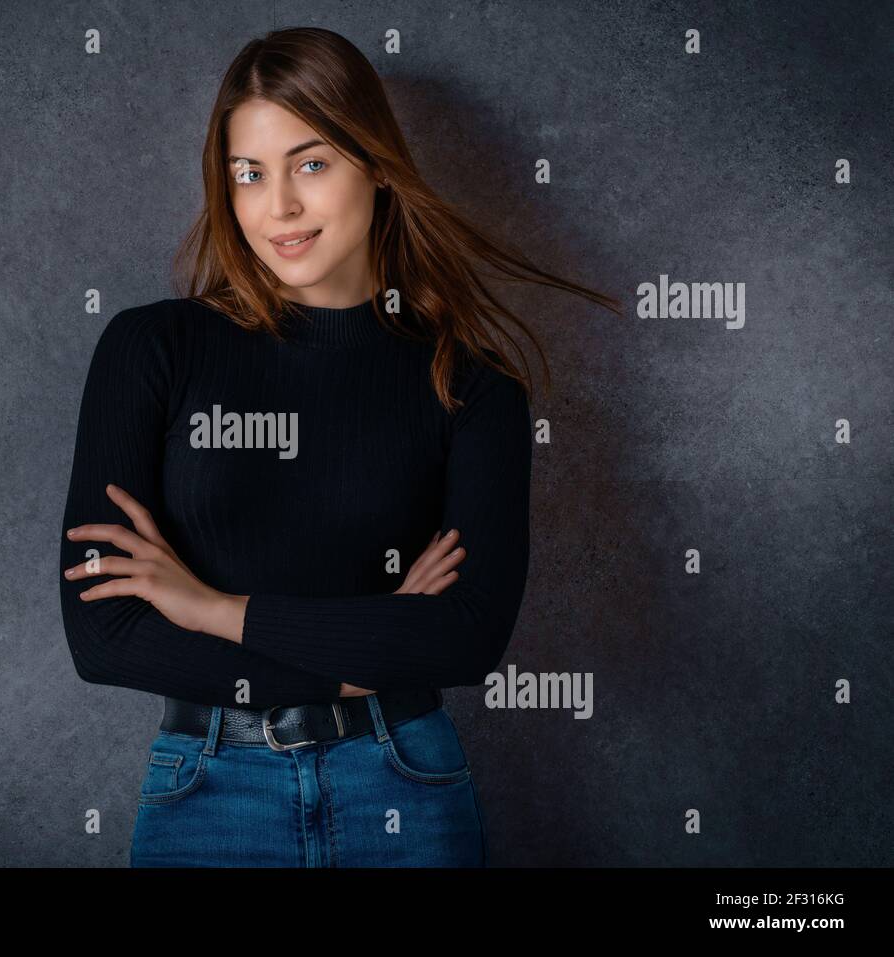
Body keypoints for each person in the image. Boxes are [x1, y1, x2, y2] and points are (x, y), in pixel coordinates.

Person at [58, 27, 621, 867]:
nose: (277, 206)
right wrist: (362, 661)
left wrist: (211, 607)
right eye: (249, 173)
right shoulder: (152, 350)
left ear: (378, 166)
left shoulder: (469, 381)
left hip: (404, 785)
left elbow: (465, 638)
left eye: (310, 163)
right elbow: (101, 635)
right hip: (208, 792)